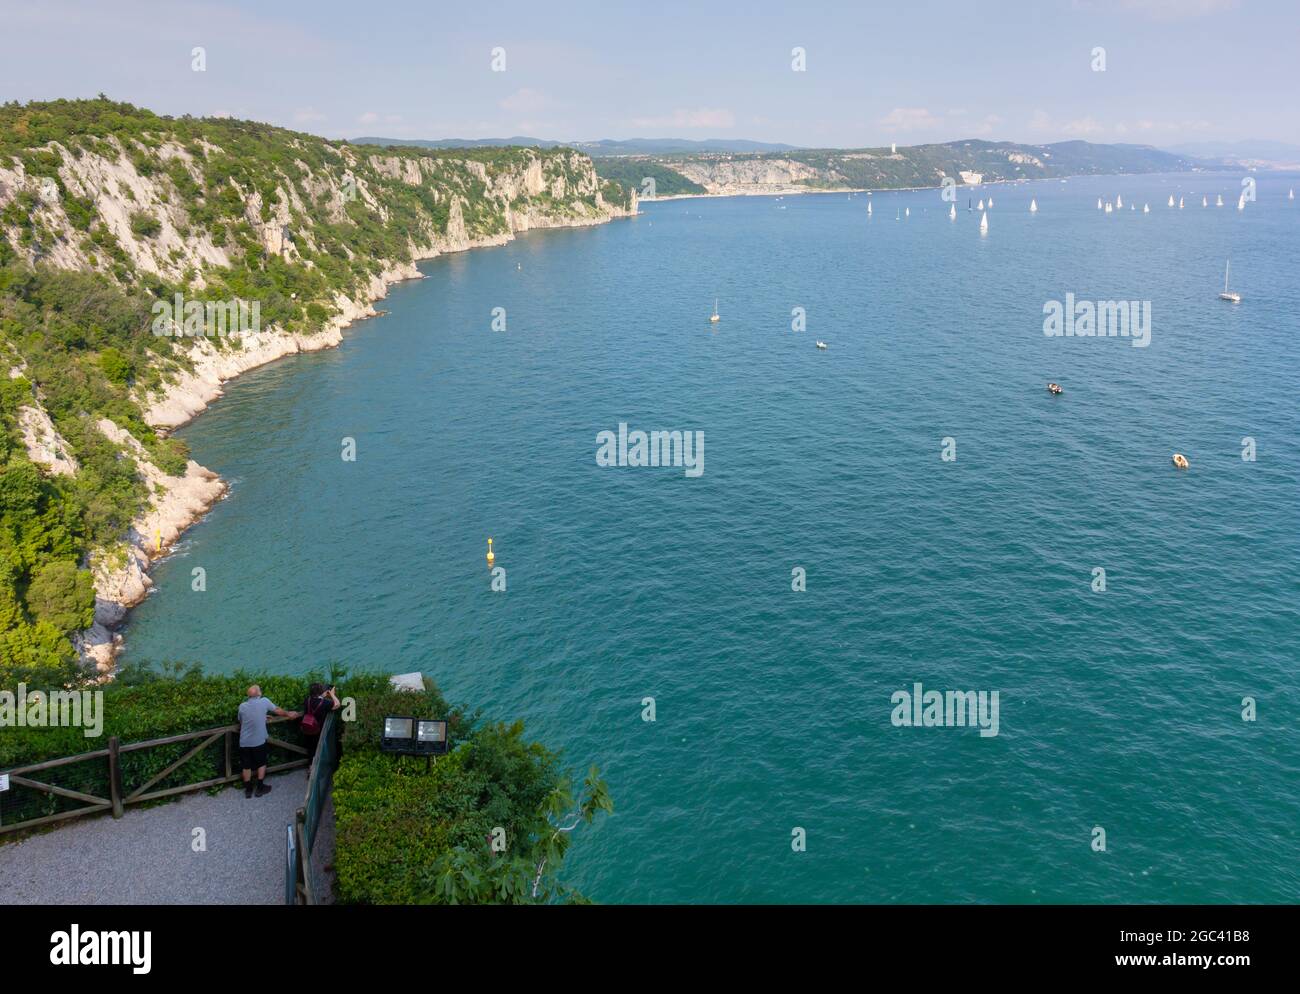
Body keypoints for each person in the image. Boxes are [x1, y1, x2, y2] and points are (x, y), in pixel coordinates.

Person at [238, 685, 299, 798]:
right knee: (261, 763)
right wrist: (289, 713)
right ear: (258, 694)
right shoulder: (264, 701)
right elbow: (277, 710)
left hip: (244, 742)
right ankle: (260, 788)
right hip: (258, 741)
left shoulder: (242, 706)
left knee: (246, 766)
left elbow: (243, 721)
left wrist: (262, 716)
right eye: (260, 690)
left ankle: (248, 790)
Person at [301, 682, 341, 751]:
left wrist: (322, 695)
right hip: (318, 730)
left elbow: (315, 699)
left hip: (306, 728)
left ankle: (311, 759)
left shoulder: (307, 700)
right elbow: (337, 704)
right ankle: (315, 760)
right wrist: (332, 694)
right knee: (318, 749)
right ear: (321, 691)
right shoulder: (325, 703)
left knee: (310, 747)